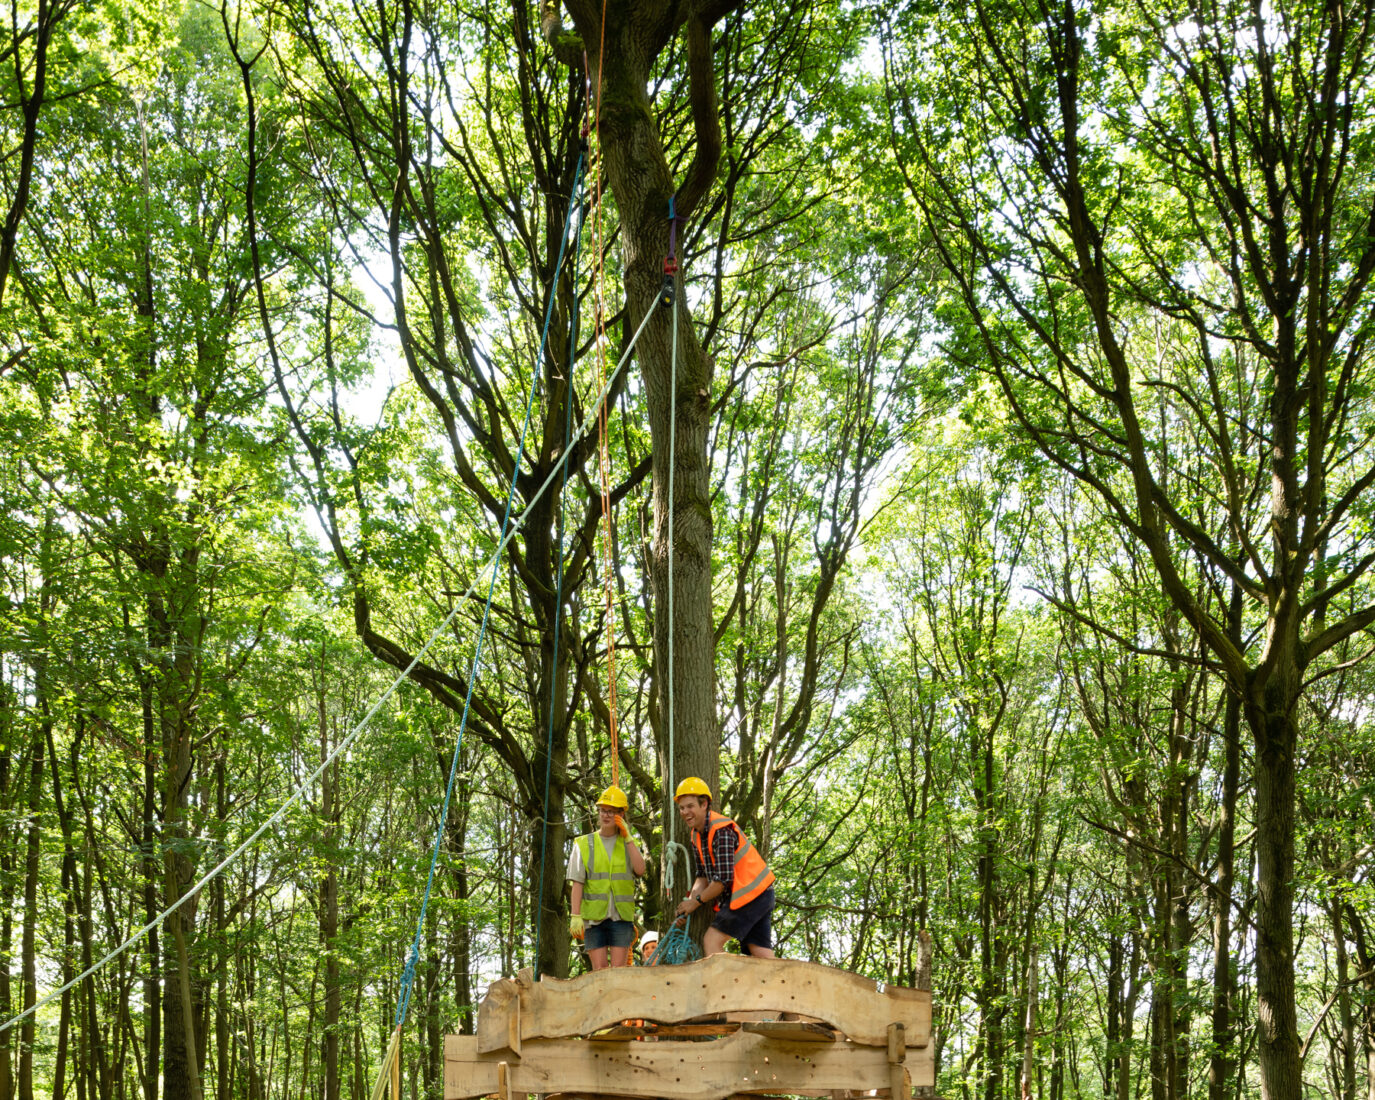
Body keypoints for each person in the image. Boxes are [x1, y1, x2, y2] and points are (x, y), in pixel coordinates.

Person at [673, 777, 776, 958]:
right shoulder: (696, 835)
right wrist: (687, 905)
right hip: (760, 894)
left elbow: (722, 880)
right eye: (682, 808)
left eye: (690, 806)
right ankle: (782, 977)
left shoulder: (721, 831)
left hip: (750, 895)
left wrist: (695, 903)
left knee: (711, 941)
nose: (685, 812)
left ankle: (727, 978)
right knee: (760, 952)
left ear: (704, 804)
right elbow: (702, 876)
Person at [567, 784, 646, 969]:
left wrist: (629, 838)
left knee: (618, 972)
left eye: (612, 811)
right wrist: (575, 915)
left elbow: (640, 869)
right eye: (603, 810)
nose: (606, 815)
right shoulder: (584, 844)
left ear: (621, 814)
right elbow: (577, 883)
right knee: (599, 973)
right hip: (594, 919)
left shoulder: (627, 844)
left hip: (621, 918)